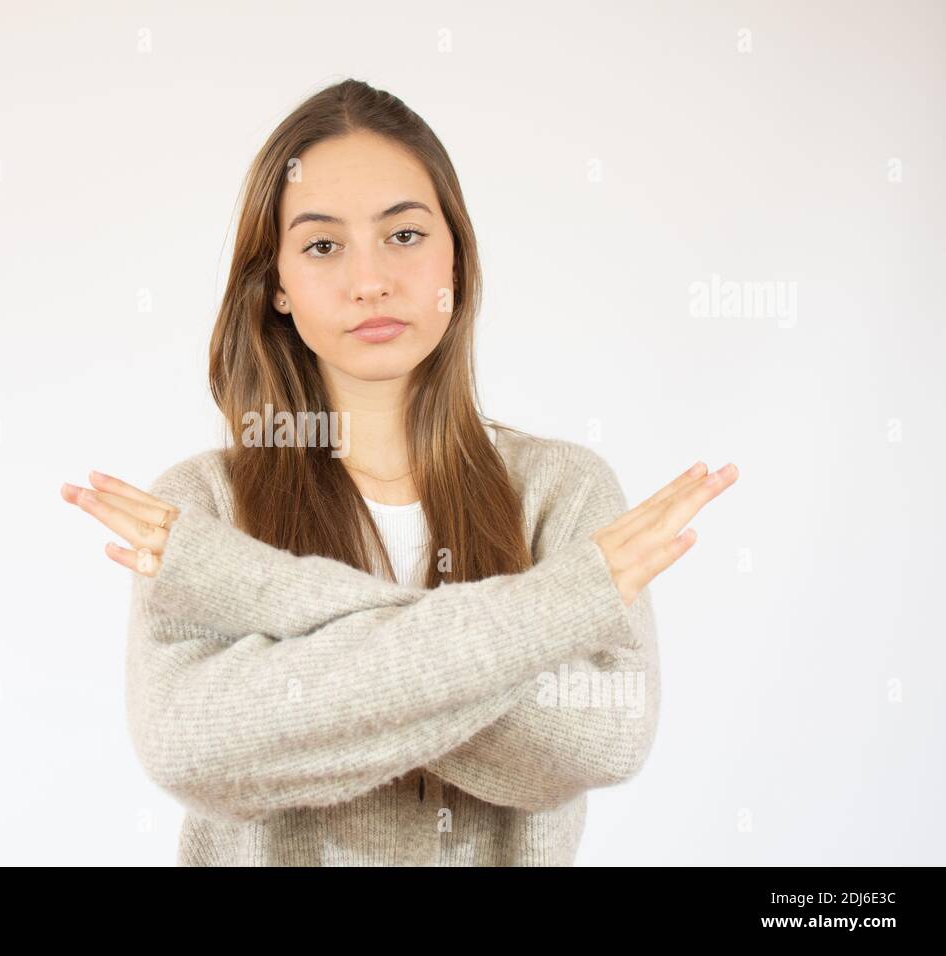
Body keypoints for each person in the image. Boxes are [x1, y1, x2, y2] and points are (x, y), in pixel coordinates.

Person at [61, 78, 738, 865]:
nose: (370, 280)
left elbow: (605, 735)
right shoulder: (202, 506)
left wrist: (259, 594)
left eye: (405, 235)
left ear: (457, 251)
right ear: (276, 282)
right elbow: (187, 744)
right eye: (322, 245)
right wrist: (555, 608)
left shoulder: (564, 491)